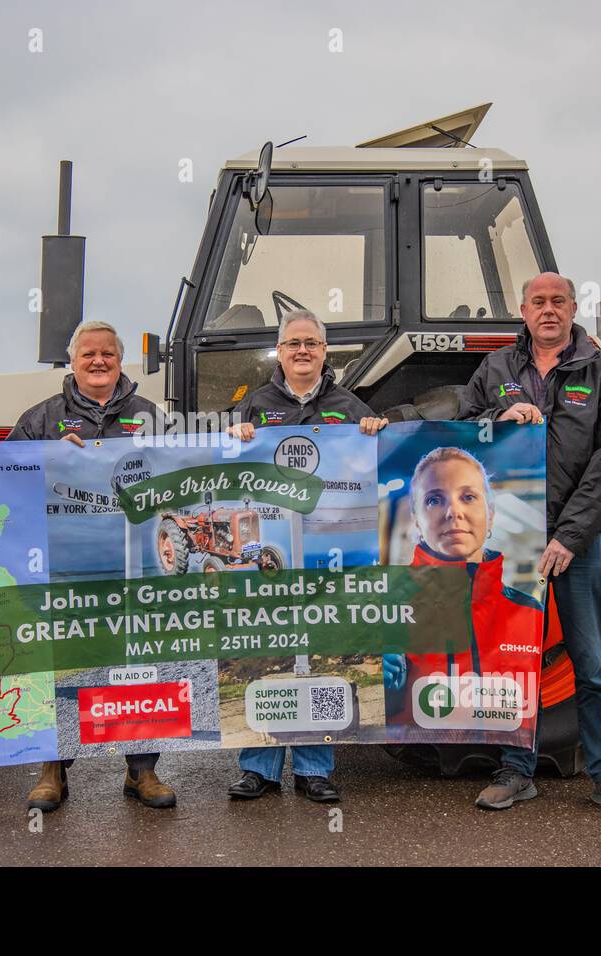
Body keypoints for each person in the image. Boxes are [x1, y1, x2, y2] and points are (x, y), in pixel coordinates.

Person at [457, 272, 601, 818]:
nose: (548, 310)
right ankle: (516, 770)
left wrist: (570, 535)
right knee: (514, 660)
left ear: (572, 308)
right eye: (537, 302)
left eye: (557, 301)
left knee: (592, 661)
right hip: (513, 540)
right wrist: (498, 417)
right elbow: (462, 429)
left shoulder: (600, 370)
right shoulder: (495, 369)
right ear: (522, 310)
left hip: (578, 543)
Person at [8, 319, 177, 812]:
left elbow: (183, 472)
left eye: (108, 353)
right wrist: (45, 456)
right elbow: (3, 471)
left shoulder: (152, 416)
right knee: (60, 665)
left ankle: (142, 772)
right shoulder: (41, 418)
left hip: (134, 566)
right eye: (88, 354)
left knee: (138, 663)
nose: (98, 361)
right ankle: (51, 772)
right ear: (73, 362)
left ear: (120, 361)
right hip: (64, 567)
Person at [225, 309, 388, 803]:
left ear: (323, 351)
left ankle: (315, 769)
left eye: (311, 344)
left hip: (324, 548)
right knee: (265, 648)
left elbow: (373, 463)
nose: (302, 351)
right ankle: (260, 767)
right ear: (280, 349)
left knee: (318, 649)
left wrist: (377, 428)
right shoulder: (255, 404)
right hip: (271, 548)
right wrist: (235, 438)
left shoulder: (348, 404)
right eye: (293, 343)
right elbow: (231, 470)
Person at [381, 447, 543, 751]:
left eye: (468, 497)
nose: (453, 511)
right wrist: (380, 688)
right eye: (434, 500)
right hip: (419, 764)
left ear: (490, 515)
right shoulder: (385, 609)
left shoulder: (529, 613)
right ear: (416, 520)